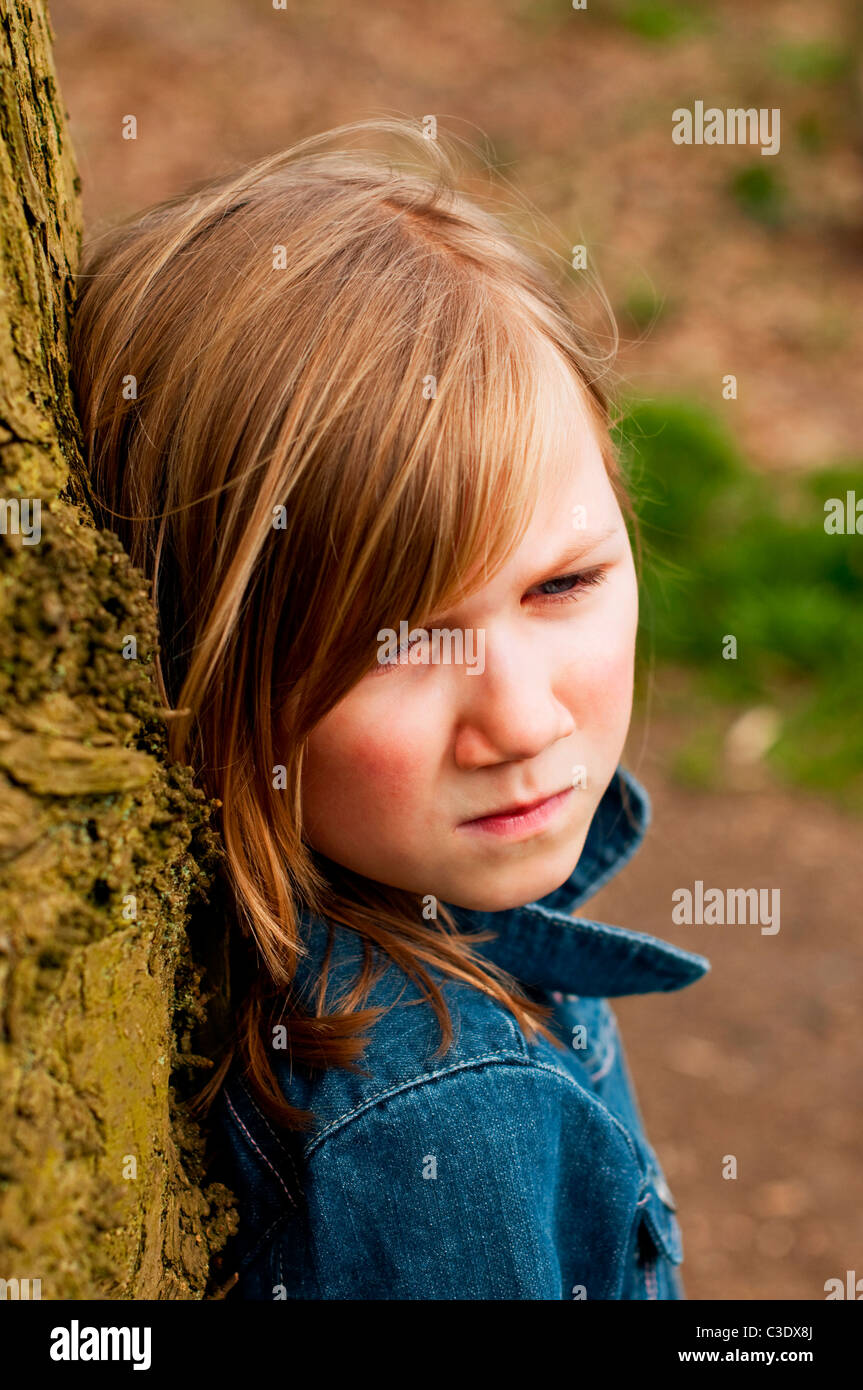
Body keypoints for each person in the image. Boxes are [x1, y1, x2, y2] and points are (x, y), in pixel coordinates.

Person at [70, 116, 710, 1300]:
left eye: (559, 584)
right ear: (206, 649)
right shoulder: (451, 1128)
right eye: (399, 643)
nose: (520, 722)